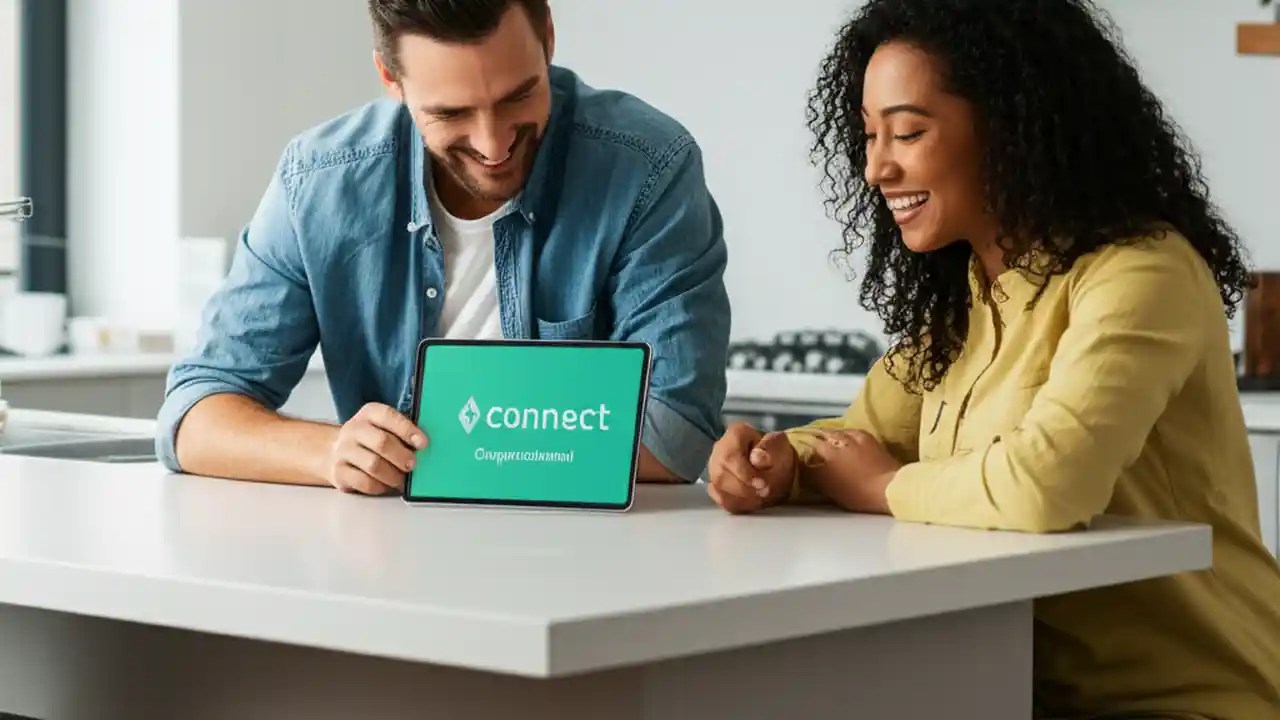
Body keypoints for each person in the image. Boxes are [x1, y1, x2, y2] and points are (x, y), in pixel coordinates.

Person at [707, 0, 1280, 717]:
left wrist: (883, 487)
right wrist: (778, 463)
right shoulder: (967, 299)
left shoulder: (1142, 274)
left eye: (908, 132)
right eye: (868, 135)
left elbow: (1046, 484)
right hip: (1016, 689)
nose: (875, 167)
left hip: (1190, 699)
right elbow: (864, 435)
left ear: (1012, 124)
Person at [157, 0, 730, 493]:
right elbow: (195, 416)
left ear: (548, 36)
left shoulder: (648, 166)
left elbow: (671, 435)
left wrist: (434, 455)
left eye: (518, 96)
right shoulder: (320, 181)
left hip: (586, 568)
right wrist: (331, 453)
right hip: (392, 568)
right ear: (390, 78)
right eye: (451, 112)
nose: (493, 143)